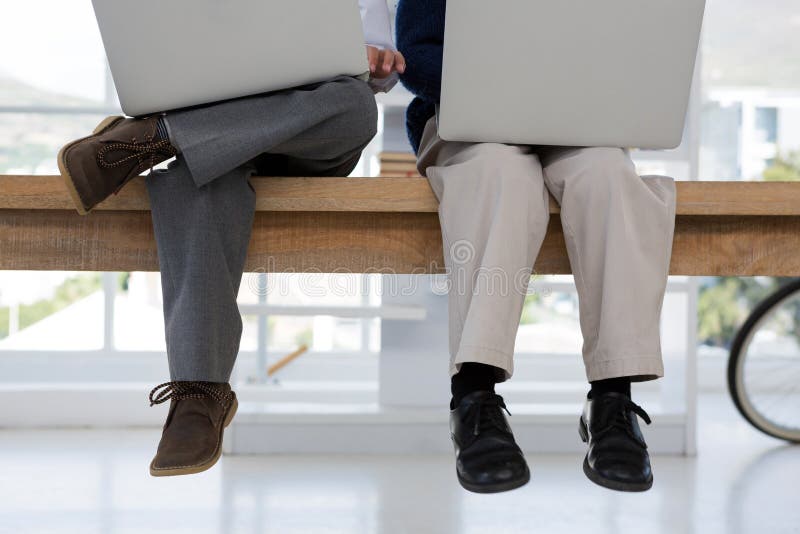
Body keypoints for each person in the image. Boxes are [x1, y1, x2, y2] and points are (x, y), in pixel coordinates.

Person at [57, 0, 404, 477]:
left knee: (356, 106)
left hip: (309, 129)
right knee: (201, 175)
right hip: (216, 118)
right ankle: (198, 394)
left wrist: (377, 60)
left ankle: (156, 138)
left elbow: (378, 64)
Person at [396, 0, 676, 493]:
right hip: (470, 118)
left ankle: (612, 399)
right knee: (498, 176)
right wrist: (504, 90)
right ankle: (473, 397)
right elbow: (416, 55)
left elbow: (634, 47)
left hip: (581, 120)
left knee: (609, 178)